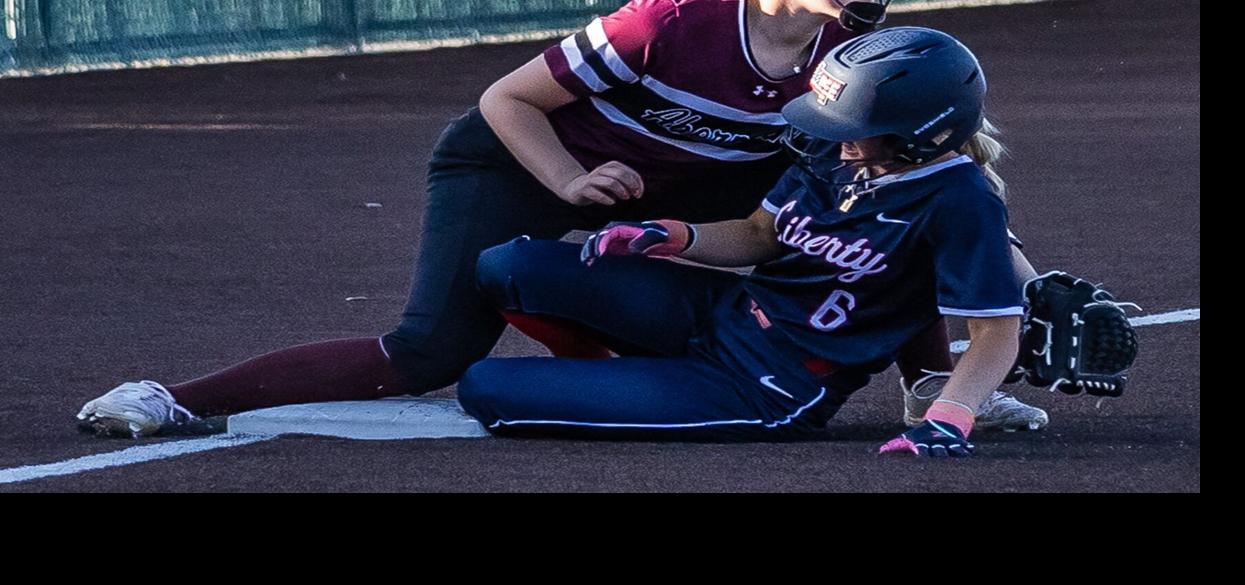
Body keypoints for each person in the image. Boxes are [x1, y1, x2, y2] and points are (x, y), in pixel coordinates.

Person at [74, 0, 1048, 438]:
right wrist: (573, 183)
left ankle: (943, 390)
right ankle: (173, 399)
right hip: (533, 155)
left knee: (856, 233)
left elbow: (927, 176)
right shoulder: (670, 18)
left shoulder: (855, 51)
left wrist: (1003, 275)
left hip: (680, 184)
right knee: (428, 352)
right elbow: (507, 99)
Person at [455, 25, 1024, 458]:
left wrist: (951, 416)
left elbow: (997, 328)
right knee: (509, 264)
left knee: (485, 388)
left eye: (855, 129)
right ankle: (625, 370)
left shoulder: (960, 201)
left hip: (766, 385)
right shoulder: (836, 152)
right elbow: (759, 234)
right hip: (724, 314)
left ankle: (639, 380)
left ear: (922, 134)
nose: (836, 139)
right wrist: (674, 236)